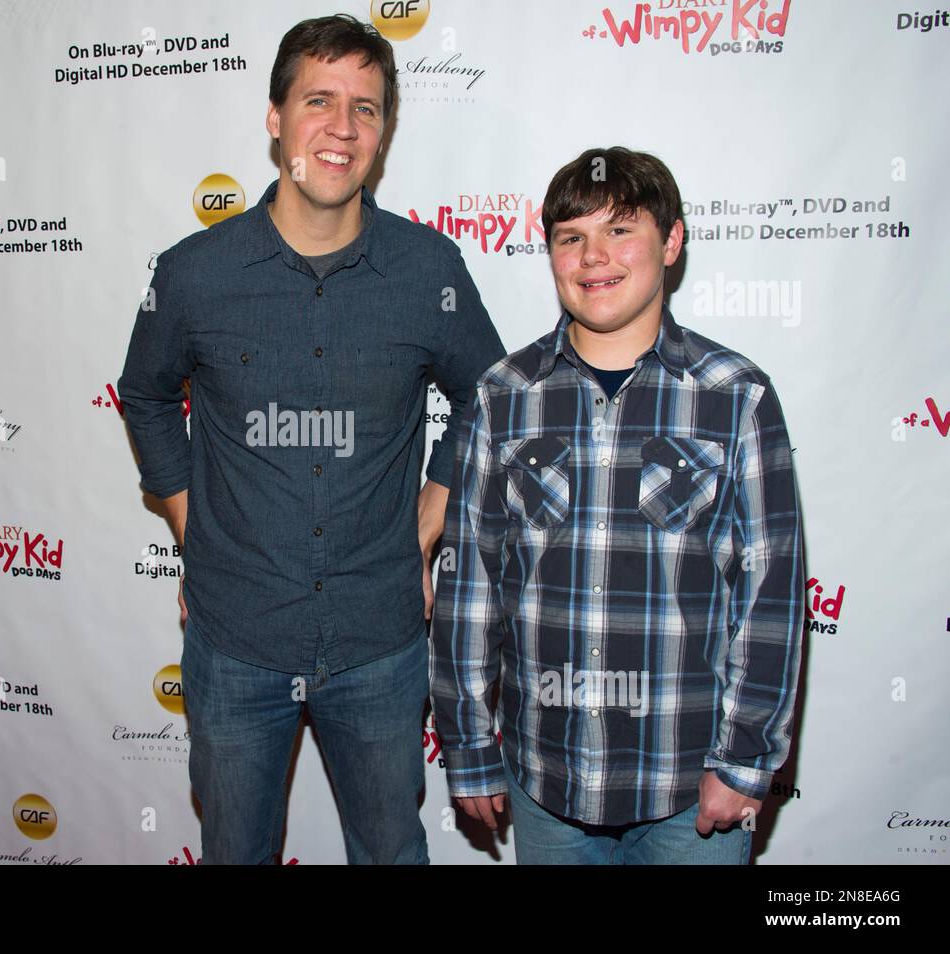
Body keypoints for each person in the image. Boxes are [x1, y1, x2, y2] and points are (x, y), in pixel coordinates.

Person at [117, 14, 506, 864]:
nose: (342, 127)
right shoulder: (193, 272)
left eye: (366, 108)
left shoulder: (429, 271)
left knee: (391, 854)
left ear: (385, 131)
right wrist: (193, 526)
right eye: (319, 101)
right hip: (234, 639)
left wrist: (431, 518)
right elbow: (144, 394)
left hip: (380, 639)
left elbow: (490, 396)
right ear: (274, 117)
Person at [430, 146, 804, 864]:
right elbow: (470, 588)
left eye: (620, 229)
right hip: (546, 784)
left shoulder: (736, 397)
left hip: (691, 788)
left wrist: (745, 761)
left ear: (671, 242)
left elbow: (772, 593)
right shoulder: (502, 397)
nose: (594, 256)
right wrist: (469, 744)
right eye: (571, 237)